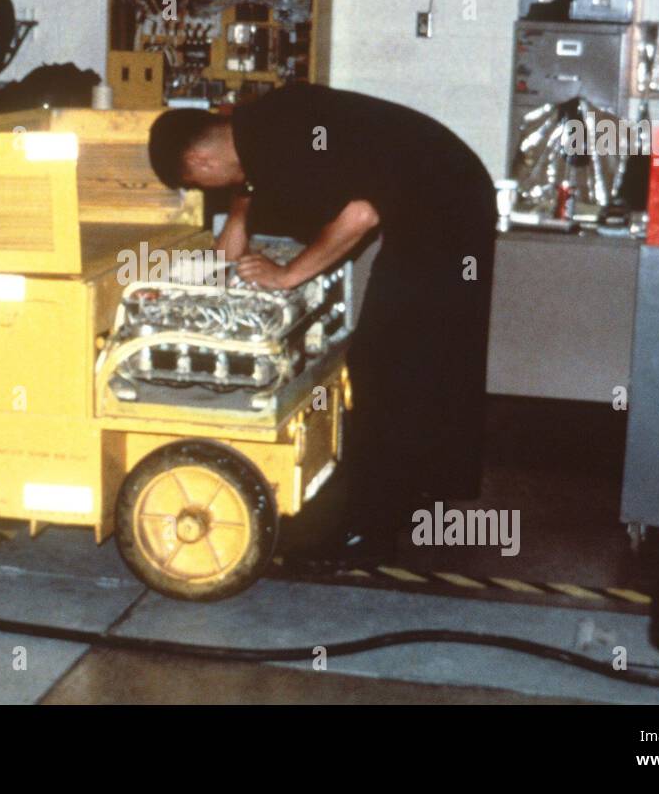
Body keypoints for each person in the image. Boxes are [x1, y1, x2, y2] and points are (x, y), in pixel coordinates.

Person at [147, 84, 496, 566]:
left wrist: (287, 274)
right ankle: (417, 503)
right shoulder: (256, 128)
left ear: (202, 166)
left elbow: (361, 212)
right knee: (421, 356)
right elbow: (247, 183)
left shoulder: (282, 135)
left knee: (383, 363)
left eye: (197, 183)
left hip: (445, 212)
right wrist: (233, 234)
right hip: (445, 194)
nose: (208, 190)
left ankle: (368, 531)